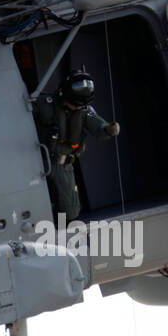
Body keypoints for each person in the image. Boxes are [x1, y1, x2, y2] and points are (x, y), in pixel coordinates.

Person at [33, 68, 119, 222]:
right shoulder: (45, 105)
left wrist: (108, 129)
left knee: (69, 211)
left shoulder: (84, 112)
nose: (75, 107)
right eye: (73, 104)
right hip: (37, 163)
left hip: (62, 166)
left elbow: (98, 127)